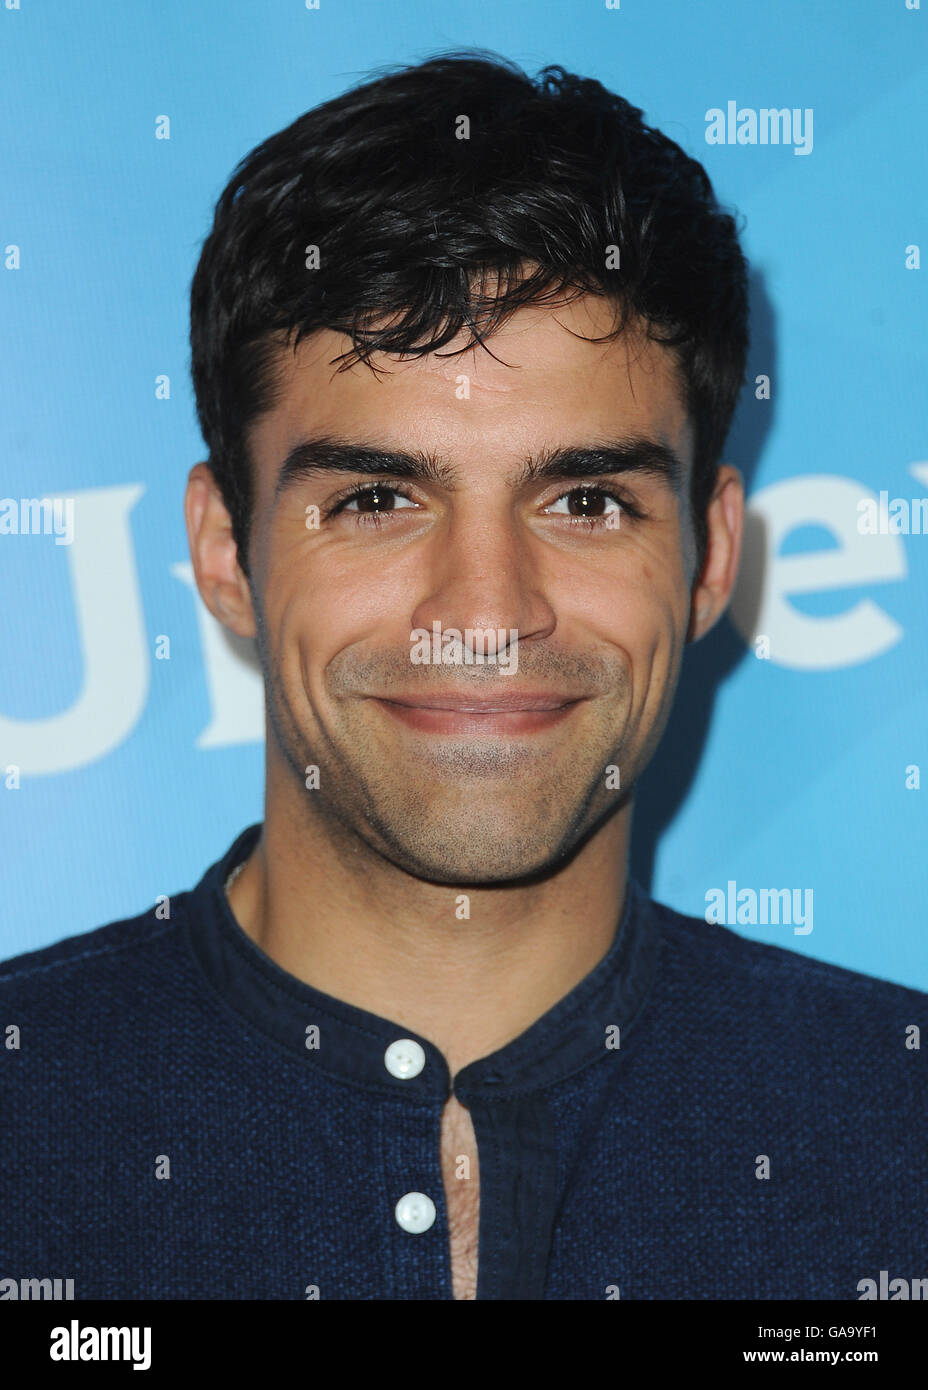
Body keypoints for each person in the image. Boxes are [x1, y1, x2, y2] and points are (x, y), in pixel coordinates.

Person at [2, 51, 925, 1303]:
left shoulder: (896, 1128)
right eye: (379, 498)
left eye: (586, 499)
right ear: (226, 550)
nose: (483, 616)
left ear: (711, 557)